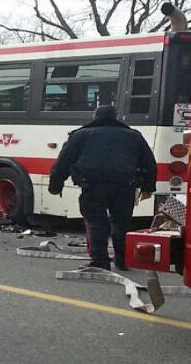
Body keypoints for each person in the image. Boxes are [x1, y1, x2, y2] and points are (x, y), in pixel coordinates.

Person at [48, 105, 157, 271]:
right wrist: (148, 187)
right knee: (122, 223)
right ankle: (123, 260)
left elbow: (62, 163)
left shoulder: (80, 136)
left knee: (96, 222)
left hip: (93, 186)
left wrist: (55, 186)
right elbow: (149, 163)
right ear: (116, 116)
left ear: (95, 116)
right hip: (125, 186)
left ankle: (100, 261)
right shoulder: (134, 136)